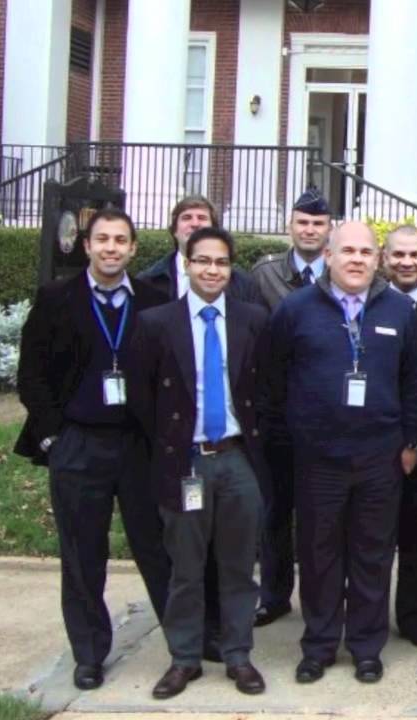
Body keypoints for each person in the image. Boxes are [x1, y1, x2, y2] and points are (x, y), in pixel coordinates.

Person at [15, 209, 172, 691]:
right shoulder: (56, 298)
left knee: (160, 547)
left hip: (139, 445)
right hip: (79, 443)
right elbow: (31, 374)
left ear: (133, 248)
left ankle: (185, 643)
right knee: (83, 555)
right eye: (102, 239)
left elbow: (171, 374)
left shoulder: (154, 301)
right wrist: (53, 436)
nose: (111, 248)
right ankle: (89, 654)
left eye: (120, 240)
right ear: (87, 246)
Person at [267, 221, 417, 685]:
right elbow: (273, 381)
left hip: (381, 456)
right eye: (348, 251)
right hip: (318, 459)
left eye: (365, 252)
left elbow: (416, 380)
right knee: (318, 554)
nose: (357, 259)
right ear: (329, 256)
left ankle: (366, 647)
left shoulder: (400, 310)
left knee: (372, 555)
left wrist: (412, 441)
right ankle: (318, 646)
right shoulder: (295, 309)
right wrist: (291, 442)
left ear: (377, 260)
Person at [133, 227, 270, 699]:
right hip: (185, 462)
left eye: (222, 262)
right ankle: (184, 658)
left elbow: (268, 391)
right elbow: (142, 400)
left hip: (237, 459)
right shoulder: (157, 323)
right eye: (203, 261)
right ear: (187, 264)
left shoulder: (253, 320)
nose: (213, 270)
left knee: (238, 566)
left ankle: (238, 655)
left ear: (231, 269)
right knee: (186, 568)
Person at [247, 187, 334, 629]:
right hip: (278, 411)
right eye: (303, 222)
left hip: (326, 411)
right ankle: (274, 594)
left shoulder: (342, 272)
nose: (310, 230)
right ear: (290, 226)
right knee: (275, 509)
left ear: (329, 229)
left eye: (318, 224)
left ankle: (324, 598)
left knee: (322, 512)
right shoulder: (264, 275)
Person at [381, 224, 417, 648]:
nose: (407, 262)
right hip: (378, 438)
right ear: (384, 259)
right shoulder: (369, 304)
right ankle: (367, 618)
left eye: (415, 255)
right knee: (372, 538)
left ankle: (415, 618)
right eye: (398, 255)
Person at [137, 195, 262, 304]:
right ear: (174, 230)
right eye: (187, 218)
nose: (195, 224)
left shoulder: (243, 284)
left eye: (202, 218)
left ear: (214, 229)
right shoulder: (148, 282)